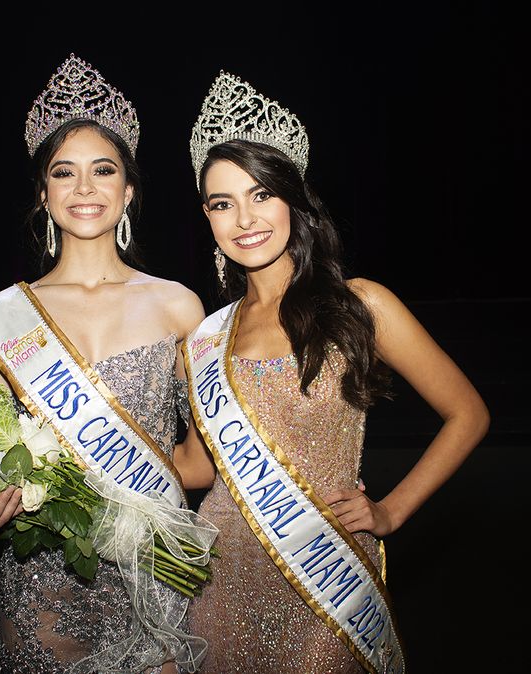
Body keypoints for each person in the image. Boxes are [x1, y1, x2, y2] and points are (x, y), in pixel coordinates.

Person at [182, 71, 490, 673]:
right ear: (209, 219)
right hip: (220, 577)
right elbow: (197, 464)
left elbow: (468, 414)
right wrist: (79, 457)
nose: (244, 218)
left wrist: (392, 511)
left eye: (261, 194)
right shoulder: (204, 338)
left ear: (294, 200)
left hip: (326, 580)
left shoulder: (361, 304)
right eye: (222, 203)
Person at [0, 54, 216, 674]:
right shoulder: (5, 322)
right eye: (65, 172)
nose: (85, 188)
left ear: (128, 190)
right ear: (44, 193)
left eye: (103, 170)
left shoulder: (178, 306)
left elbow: (202, 461)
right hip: (44, 582)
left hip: (152, 574)